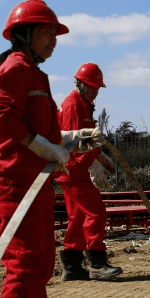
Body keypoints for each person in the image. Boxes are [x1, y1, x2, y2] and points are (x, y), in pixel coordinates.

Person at [0, 0, 101, 298]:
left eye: (55, 33)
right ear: (26, 34)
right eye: (48, 32)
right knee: (26, 263)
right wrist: (41, 146)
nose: (54, 40)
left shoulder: (33, 74)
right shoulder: (14, 69)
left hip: (30, 186)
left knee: (40, 260)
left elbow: (46, 134)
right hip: (12, 186)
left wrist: (73, 141)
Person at [57, 63, 120, 281]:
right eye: (92, 87)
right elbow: (73, 143)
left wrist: (100, 157)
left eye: (97, 88)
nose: (95, 92)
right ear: (80, 85)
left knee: (78, 217)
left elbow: (87, 140)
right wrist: (92, 164)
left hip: (72, 170)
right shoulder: (73, 106)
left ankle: (72, 266)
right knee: (96, 213)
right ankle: (97, 263)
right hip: (75, 170)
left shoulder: (83, 104)